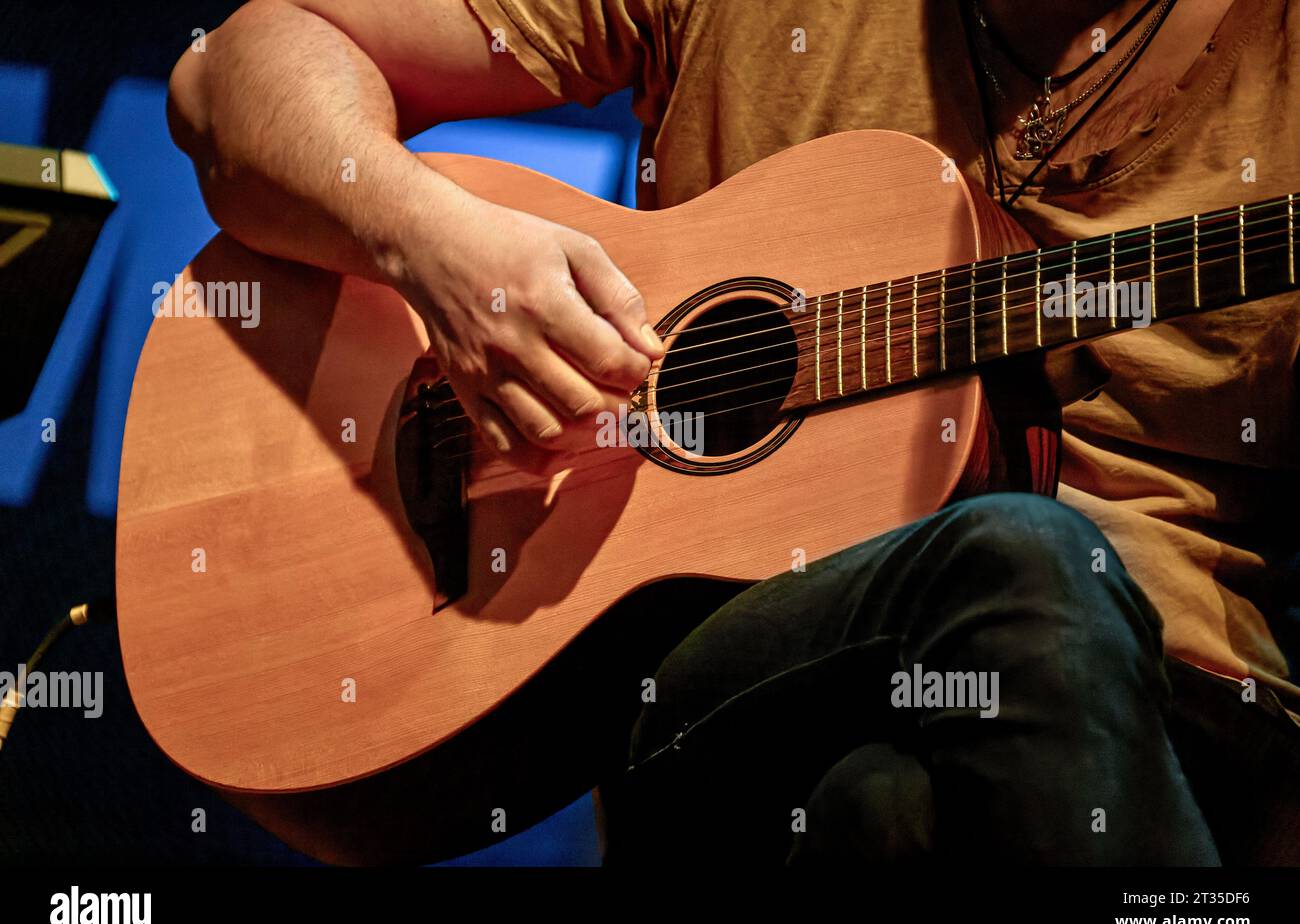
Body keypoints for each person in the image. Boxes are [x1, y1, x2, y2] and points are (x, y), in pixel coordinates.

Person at [166, 0, 1300, 864]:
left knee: (882, 812)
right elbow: (233, 77)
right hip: (715, 666)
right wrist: (433, 246)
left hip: (1174, 708)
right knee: (1023, 561)